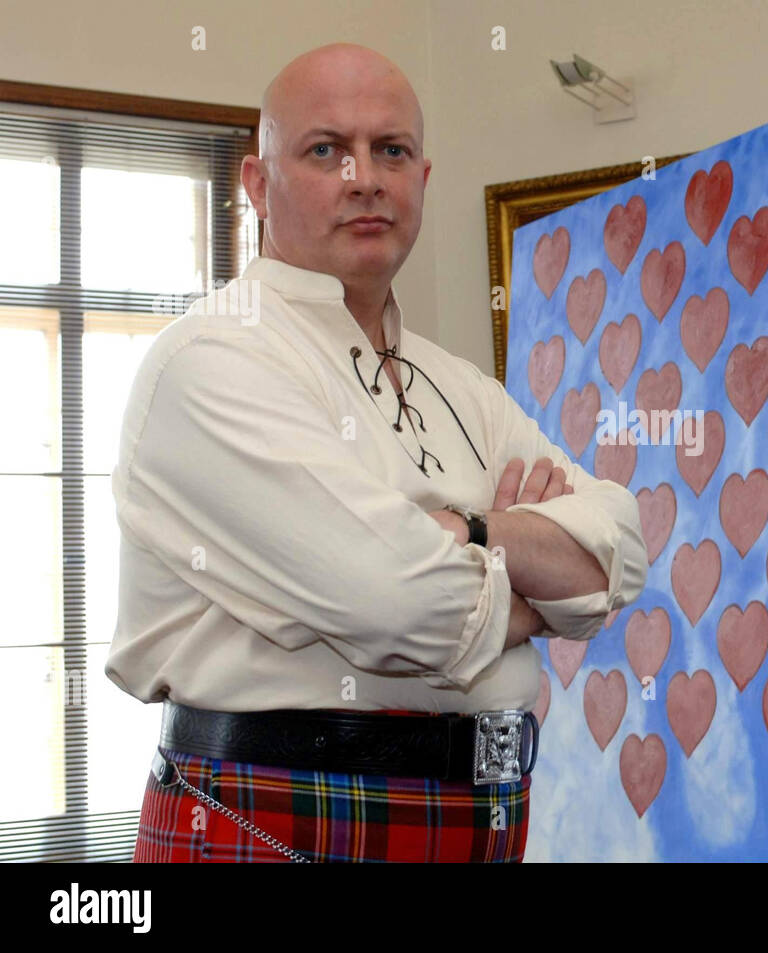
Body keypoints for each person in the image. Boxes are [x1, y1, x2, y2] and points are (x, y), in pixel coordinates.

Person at [107, 42, 648, 863]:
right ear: (258, 185)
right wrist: (543, 580)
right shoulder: (209, 362)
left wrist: (470, 531)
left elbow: (622, 552)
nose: (364, 177)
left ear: (421, 181)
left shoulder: (461, 385)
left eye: (390, 150)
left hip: (484, 815)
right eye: (325, 150)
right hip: (271, 812)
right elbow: (394, 603)